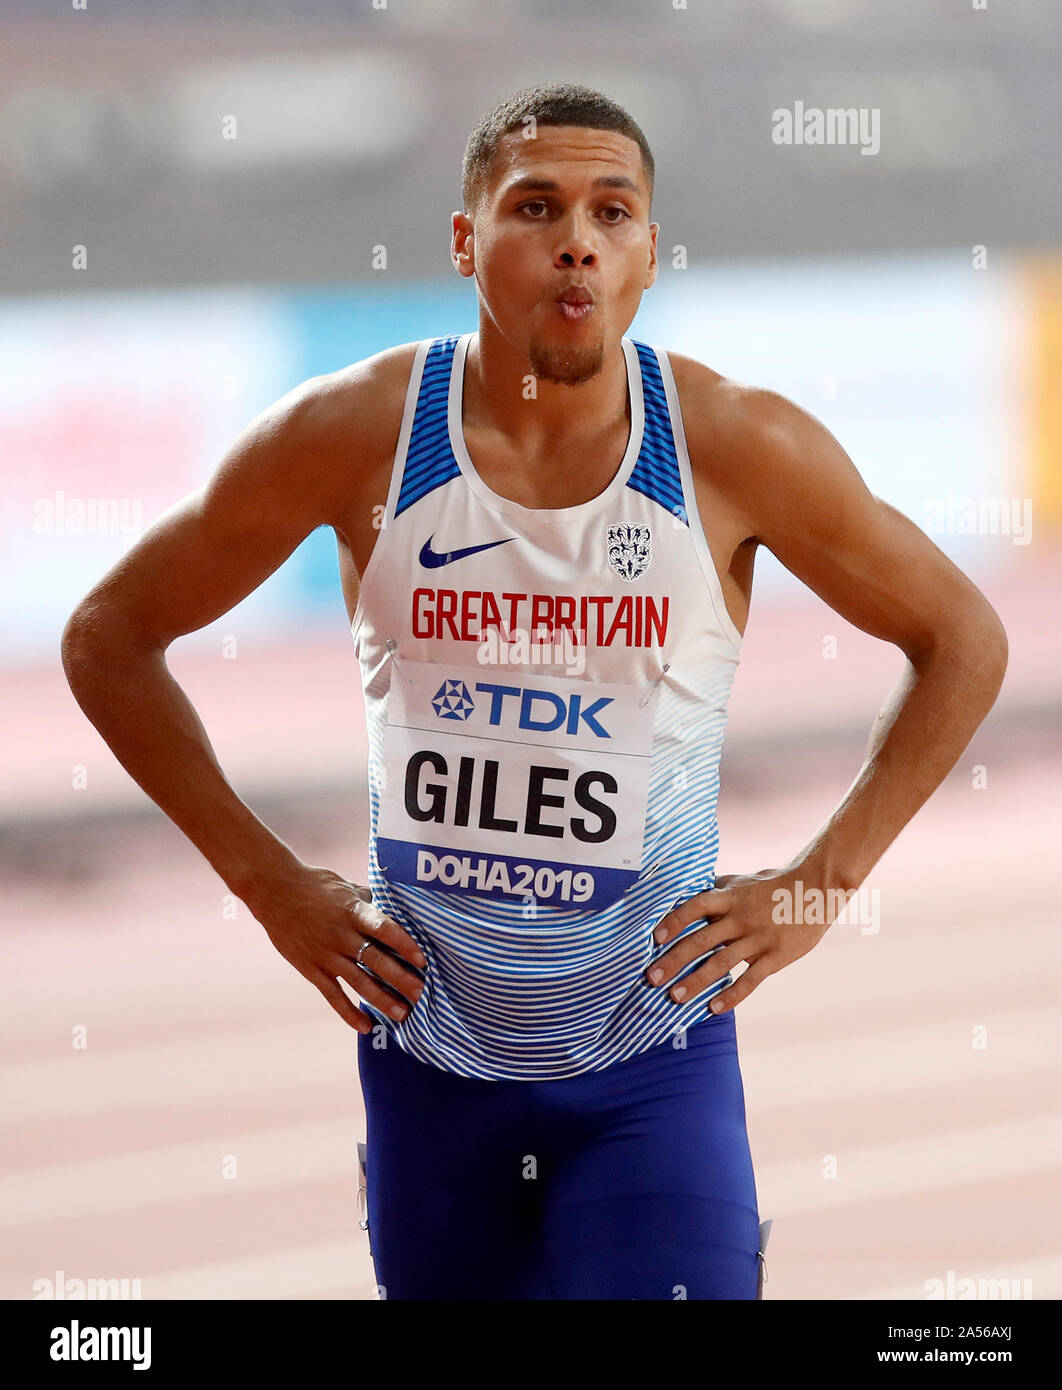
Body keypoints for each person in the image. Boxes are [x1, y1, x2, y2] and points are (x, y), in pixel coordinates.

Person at [61, 83, 1008, 1301]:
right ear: (466, 240)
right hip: (431, 1069)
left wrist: (822, 885)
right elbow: (110, 635)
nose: (578, 239)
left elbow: (962, 637)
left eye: (614, 212)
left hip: (651, 1062)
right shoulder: (357, 436)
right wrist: (269, 883)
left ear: (648, 257)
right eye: (537, 206)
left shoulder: (730, 445)